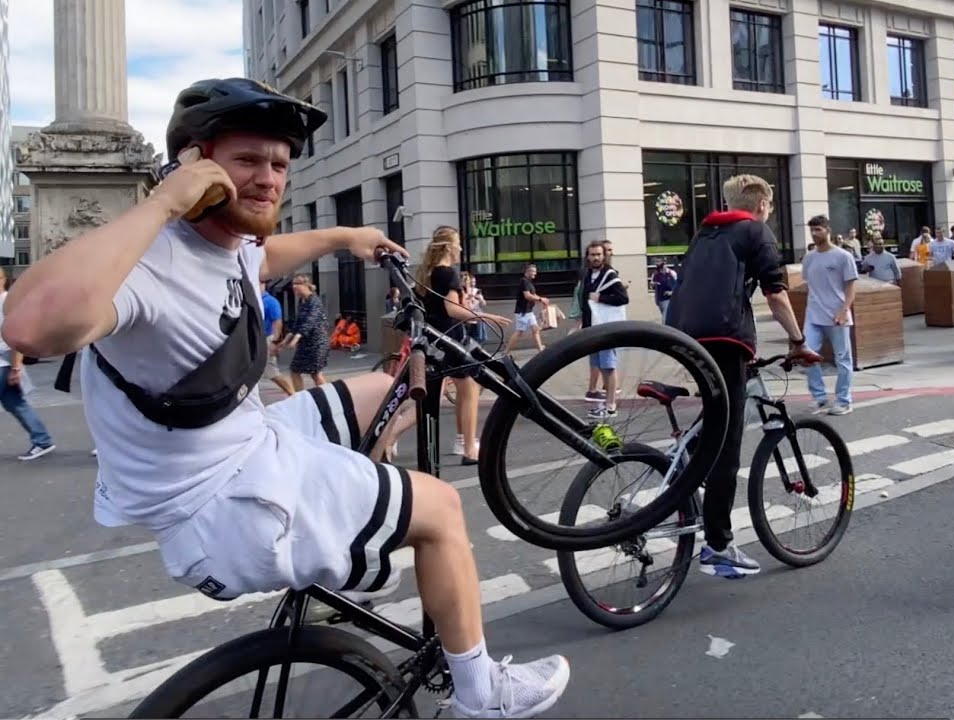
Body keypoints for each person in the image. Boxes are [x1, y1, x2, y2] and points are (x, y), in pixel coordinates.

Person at [0, 78, 569, 718]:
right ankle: (480, 691)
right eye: (247, 160)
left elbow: (264, 257)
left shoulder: (223, 247)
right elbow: (29, 327)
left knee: (389, 390)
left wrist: (344, 236)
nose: (268, 178)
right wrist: (161, 202)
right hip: (218, 506)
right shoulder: (148, 268)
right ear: (193, 164)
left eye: (278, 164)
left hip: (244, 447)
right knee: (440, 508)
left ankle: (345, 539)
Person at [664, 174, 820, 579]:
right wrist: (798, 342)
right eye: (769, 206)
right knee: (727, 444)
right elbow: (776, 293)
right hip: (725, 339)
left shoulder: (704, 234)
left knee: (712, 422)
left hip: (684, 336)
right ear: (762, 204)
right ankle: (718, 545)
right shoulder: (755, 231)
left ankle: (675, 478)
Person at [415, 226, 510, 464]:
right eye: (457, 243)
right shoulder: (449, 273)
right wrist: (486, 316)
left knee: (448, 391)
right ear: (449, 247)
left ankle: (462, 441)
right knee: (469, 389)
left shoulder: (429, 272)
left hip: (436, 336)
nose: (460, 248)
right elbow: (452, 309)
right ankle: (469, 449)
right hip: (452, 337)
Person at [801, 216, 857, 415]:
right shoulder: (809, 258)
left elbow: (850, 286)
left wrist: (844, 309)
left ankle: (844, 400)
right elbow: (809, 284)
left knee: (842, 359)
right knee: (808, 355)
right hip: (813, 315)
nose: (814, 234)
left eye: (818, 229)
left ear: (828, 230)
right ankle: (819, 397)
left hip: (837, 316)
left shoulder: (843, 256)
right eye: (812, 230)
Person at [0, 267, 56, 460]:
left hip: (3, 363)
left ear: (3, 280)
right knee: (15, 403)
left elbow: (18, 336)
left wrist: (16, 367)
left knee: (16, 403)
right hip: (4, 364)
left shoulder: (8, 303)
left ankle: (42, 440)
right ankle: (42, 440)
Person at [576, 240, 629, 419]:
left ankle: (611, 405)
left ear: (604, 256)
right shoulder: (587, 275)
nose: (596, 258)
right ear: (587, 257)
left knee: (608, 366)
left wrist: (601, 298)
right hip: (592, 328)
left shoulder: (609, 274)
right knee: (599, 365)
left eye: (599, 254)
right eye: (592, 255)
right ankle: (606, 404)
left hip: (606, 328)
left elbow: (623, 298)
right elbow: (585, 304)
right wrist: (583, 325)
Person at [505, 264, 550, 353]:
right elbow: (527, 296)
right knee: (519, 332)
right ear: (527, 271)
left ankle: (540, 348)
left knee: (535, 330)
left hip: (529, 312)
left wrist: (542, 300)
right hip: (522, 312)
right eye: (533, 271)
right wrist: (541, 299)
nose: (535, 273)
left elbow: (533, 294)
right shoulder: (524, 281)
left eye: (535, 271)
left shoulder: (529, 282)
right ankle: (506, 351)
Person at [260, 280, 293, 396]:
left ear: (263, 284)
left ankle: (292, 393)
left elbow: (278, 322)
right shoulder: (255, 300)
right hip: (258, 339)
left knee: (270, 369)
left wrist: (275, 341)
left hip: (268, 337)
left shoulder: (270, 301)